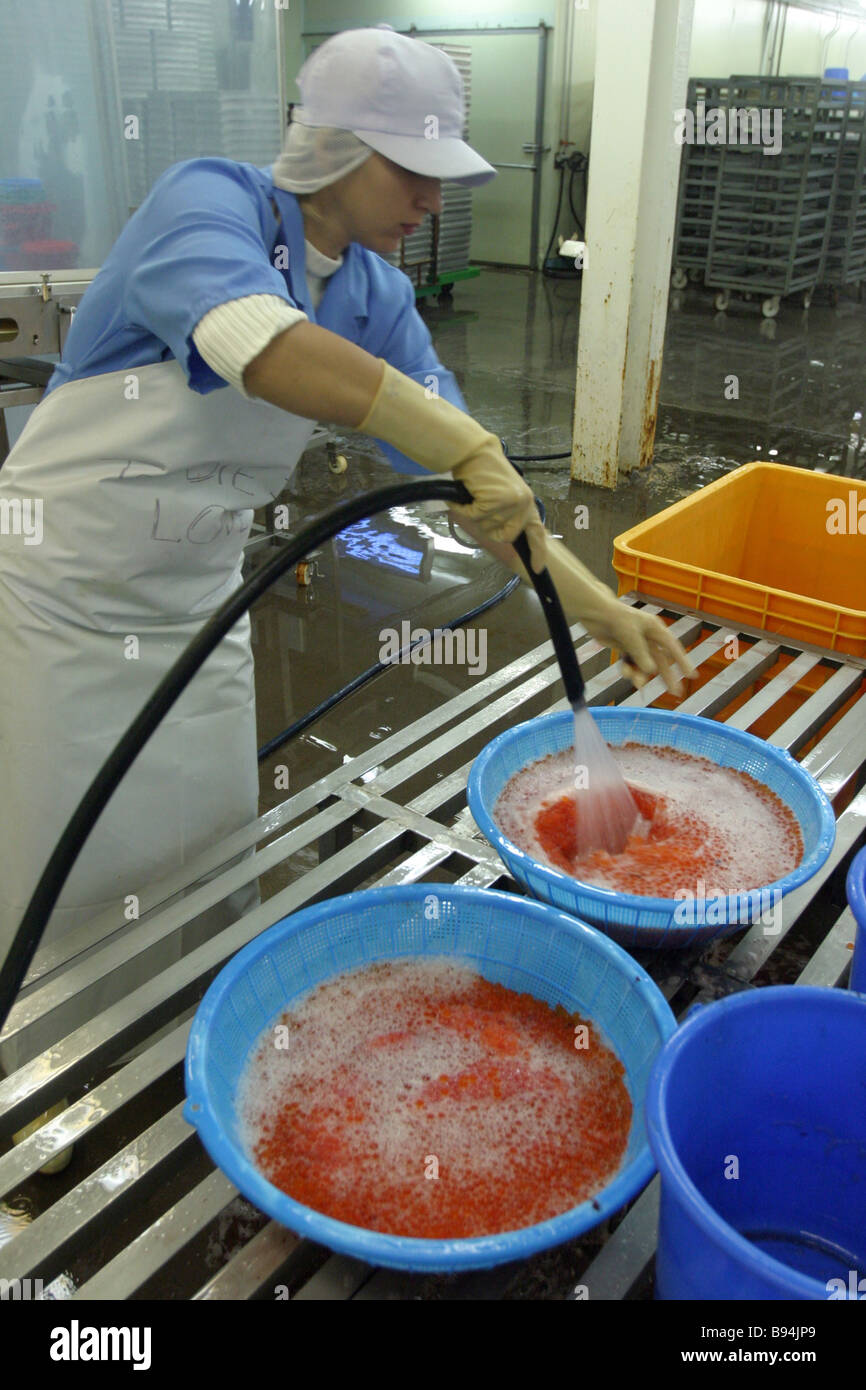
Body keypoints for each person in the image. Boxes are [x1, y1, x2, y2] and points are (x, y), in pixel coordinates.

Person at [0, 27, 695, 1086]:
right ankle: (53, 1085)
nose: (430, 195)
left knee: (209, 841)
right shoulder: (207, 203)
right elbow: (258, 344)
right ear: (332, 149)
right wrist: (455, 441)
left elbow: (483, 488)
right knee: (69, 859)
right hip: (58, 600)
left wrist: (595, 606)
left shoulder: (374, 298)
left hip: (194, 603)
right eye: (410, 168)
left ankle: (199, 1051)